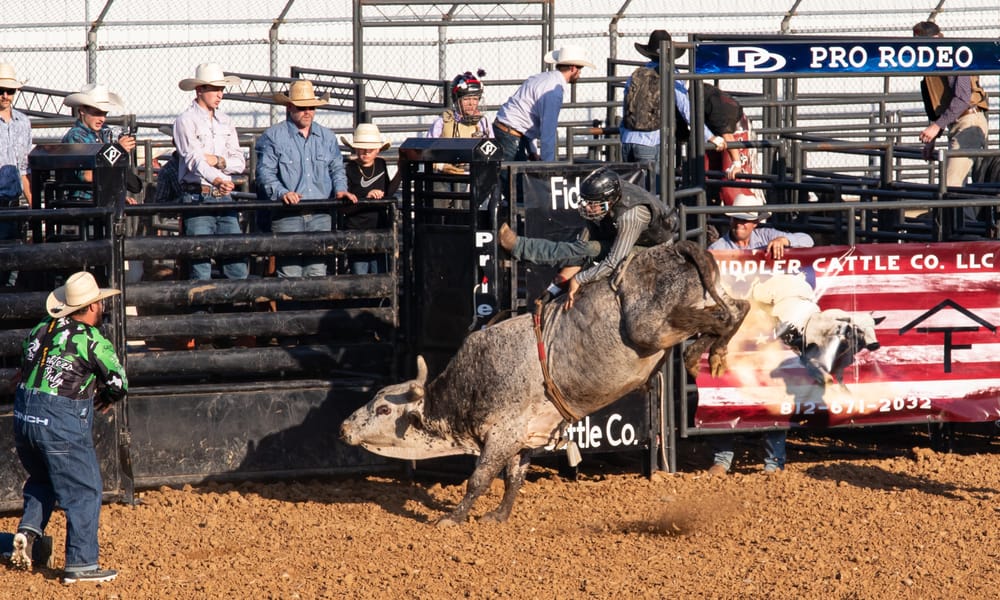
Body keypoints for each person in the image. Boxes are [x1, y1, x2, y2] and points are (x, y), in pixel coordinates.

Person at [10, 271, 127, 583]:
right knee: (84, 489)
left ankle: (28, 534)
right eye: (100, 303)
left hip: (24, 417)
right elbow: (119, 383)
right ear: (92, 306)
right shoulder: (92, 340)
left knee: (43, 477)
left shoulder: (40, 329)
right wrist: (106, 396)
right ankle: (82, 563)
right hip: (60, 419)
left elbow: (24, 367)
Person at [706, 197, 814, 475]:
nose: (739, 224)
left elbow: (807, 240)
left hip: (765, 328)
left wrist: (785, 241)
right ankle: (723, 457)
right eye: (736, 219)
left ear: (755, 222)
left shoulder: (766, 236)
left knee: (772, 391)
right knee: (725, 390)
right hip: (733, 331)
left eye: (745, 220)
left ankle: (772, 461)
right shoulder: (717, 250)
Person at [499, 166, 677, 309]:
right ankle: (550, 285)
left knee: (589, 249)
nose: (587, 207)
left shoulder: (631, 215)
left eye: (592, 204)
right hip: (635, 239)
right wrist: (559, 282)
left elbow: (614, 261)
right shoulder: (611, 197)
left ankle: (519, 247)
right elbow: (583, 247)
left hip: (655, 249)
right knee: (583, 249)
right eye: (586, 202)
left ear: (608, 200)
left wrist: (579, 279)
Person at [622, 30, 759, 206]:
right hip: (651, 141)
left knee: (631, 193)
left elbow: (626, 106)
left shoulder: (636, 74)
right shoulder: (670, 74)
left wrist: (624, 134)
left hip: (628, 139)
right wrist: (710, 136)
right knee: (654, 197)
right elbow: (686, 109)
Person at [256, 79, 356, 278]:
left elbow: (337, 168)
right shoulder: (273, 136)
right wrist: (283, 193)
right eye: (302, 108)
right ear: (289, 107)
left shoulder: (327, 137)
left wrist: (341, 189)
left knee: (317, 270)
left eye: (311, 107)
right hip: (287, 214)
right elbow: (265, 173)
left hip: (320, 213)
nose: (307, 112)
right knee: (290, 271)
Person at [173, 62, 247, 280]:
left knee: (236, 263)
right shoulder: (185, 121)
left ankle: (234, 301)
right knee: (200, 265)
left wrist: (217, 161)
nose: (220, 95)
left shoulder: (225, 121)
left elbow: (240, 162)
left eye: (221, 89)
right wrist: (218, 178)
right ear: (200, 90)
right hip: (198, 196)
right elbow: (194, 159)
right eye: (215, 89)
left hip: (222, 196)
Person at [913, 21, 989, 229]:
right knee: (955, 185)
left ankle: (963, 234)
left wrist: (936, 127)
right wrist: (935, 133)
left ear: (935, 38)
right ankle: (968, 232)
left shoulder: (954, 56)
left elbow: (962, 98)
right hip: (961, 123)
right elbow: (940, 100)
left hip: (968, 121)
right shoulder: (939, 59)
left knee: (951, 185)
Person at [493, 45, 594, 162]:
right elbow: (548, 129)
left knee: (513, 172)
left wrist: (532, 150)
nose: (580, 72)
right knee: (515, 173)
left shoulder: (541, 78)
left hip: (507, 130)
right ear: (572, 68)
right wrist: (548, 165)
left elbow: (527, 115)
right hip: (511, 135)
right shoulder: (554, 91)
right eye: (580, 68)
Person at [61, 83, 138, 205]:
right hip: (83, 203)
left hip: (100, 200)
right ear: (82, 111)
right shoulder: (76, 136)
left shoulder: (103, 133)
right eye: (97, 113)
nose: (102, 119)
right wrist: (118, 151)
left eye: (104, 114)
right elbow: (87, 176)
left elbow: (104, 172)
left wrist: (117, 196)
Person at [340, 123, 400, 274]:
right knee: (360, 275)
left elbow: (387, 192)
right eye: (362, 148)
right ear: (355, 149)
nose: (366, 152)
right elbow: (345, 207)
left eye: (370, 149)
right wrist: (366, 198)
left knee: (380, 273)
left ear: (378, 150)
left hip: (379, 227)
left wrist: (400, 172)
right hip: (357, 230)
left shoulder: (381, 164)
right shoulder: (350, 169)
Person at [0, 62, 32, 288]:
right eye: (1, 90)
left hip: (13, 201)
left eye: (9, 91)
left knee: (14, 258)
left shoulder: (23, 123)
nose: (5, 95)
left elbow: (24, 168)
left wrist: (33, 203)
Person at [427, 70, 491, 175]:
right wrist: (441, 166)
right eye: (466, 99)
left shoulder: (484, 123)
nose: (471, 103)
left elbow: (492, 152)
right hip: (446, 176)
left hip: (476, 174)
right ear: (456, 100)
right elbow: (427, 152)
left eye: (475, 99)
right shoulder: (442, 122)